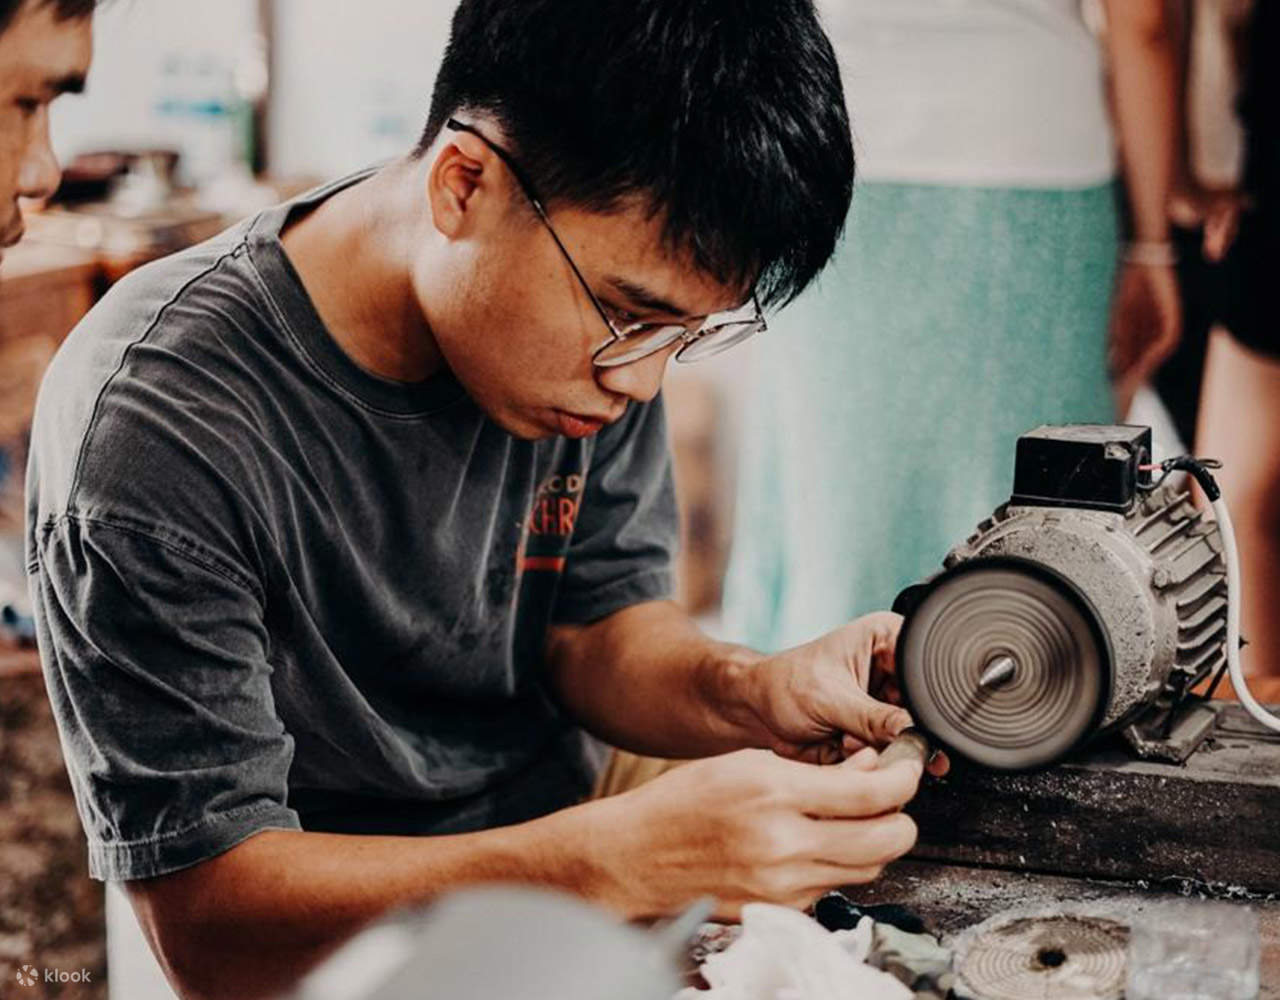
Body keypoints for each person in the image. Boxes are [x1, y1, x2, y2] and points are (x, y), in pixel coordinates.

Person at [25, 3, 944, 998]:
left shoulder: (585, 341)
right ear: (464, 183)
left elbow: (595, 630)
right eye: (635, 316)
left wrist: (751, 691)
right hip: (333, 936)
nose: (641, 381)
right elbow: (211, 925)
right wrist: (611, 861)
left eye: (684, 334)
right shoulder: (162, 423)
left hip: (563, 816)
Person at [723, 0, 1183, 653]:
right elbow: (1144, 27)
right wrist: (1154, 245)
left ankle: (817, 712)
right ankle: (1027, 703)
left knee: (831, 502)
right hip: (1032, 152)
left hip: (837, 145)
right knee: (1036, 505)